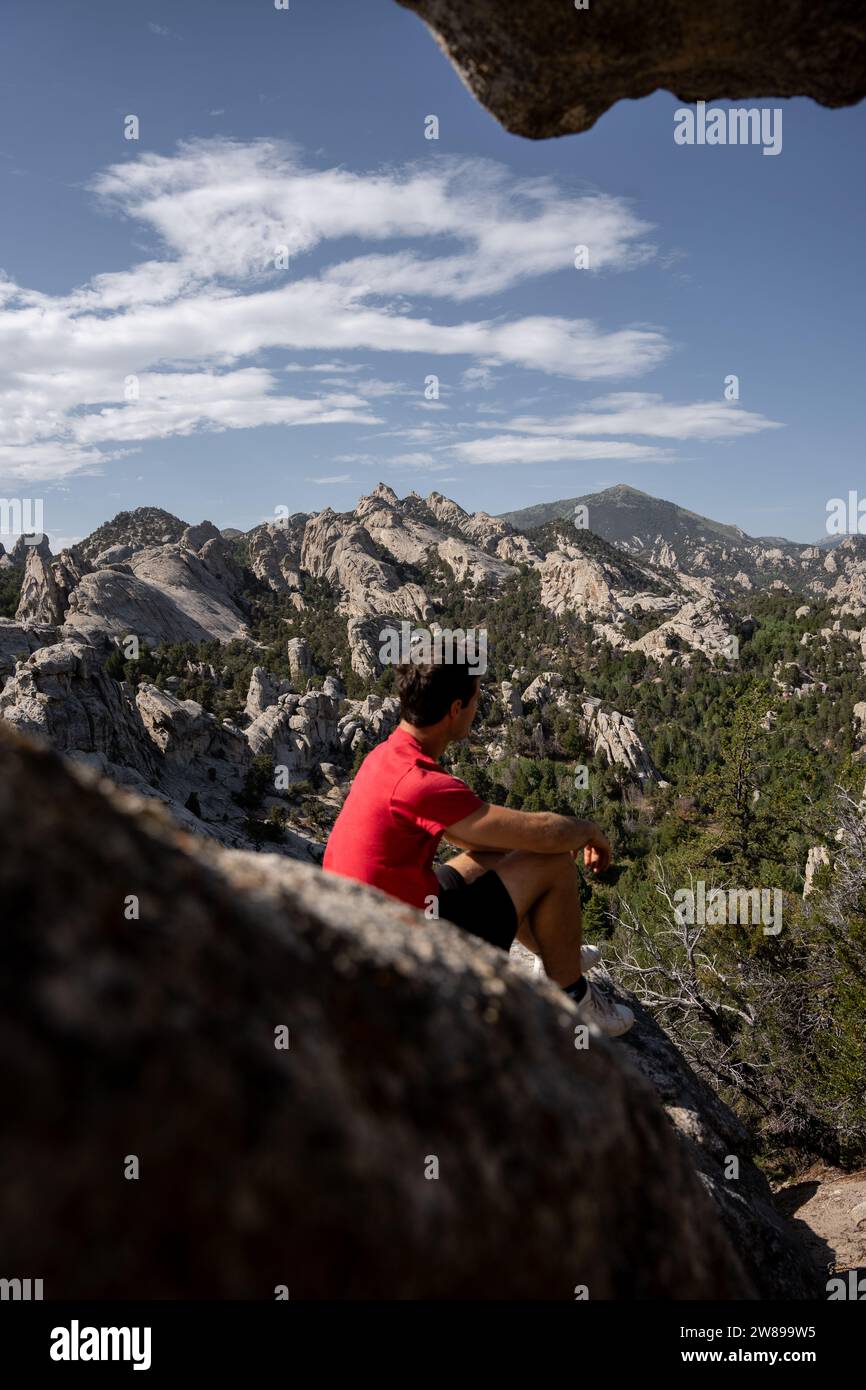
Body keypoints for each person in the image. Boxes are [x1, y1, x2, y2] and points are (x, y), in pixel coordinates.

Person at [323, 653, 634, 1036]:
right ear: (456, 709)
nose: (477, 707)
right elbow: (542, 834)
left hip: (371, 927)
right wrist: (589, 830)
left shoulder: (386, 755)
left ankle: (556, 956)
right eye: (475, 700)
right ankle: (573, 999)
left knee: (494, 853)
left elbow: (485, 837)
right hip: (405, 954)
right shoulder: (419, 781)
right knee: (552, 862)